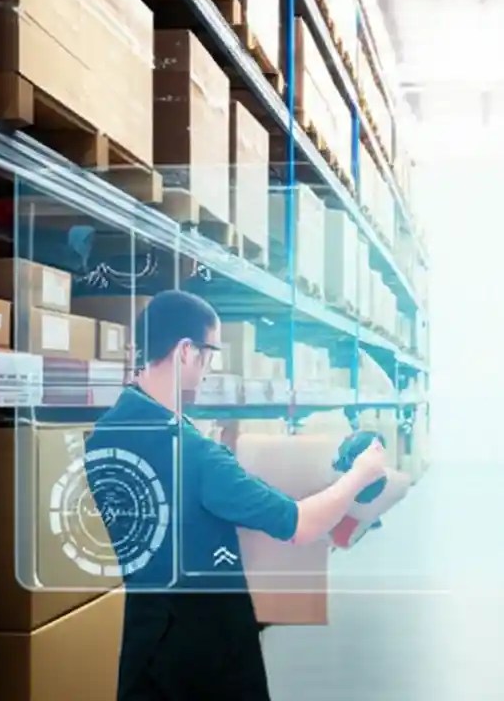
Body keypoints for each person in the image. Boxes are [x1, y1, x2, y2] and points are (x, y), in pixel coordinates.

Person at [85, 289, 386, 700]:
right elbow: (300, 525)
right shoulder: (195, 455)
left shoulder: (106, 433)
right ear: (187, 352)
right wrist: (360, 474)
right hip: (206, 654)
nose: (209, 367)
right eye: (211, 353)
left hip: (146, 642)